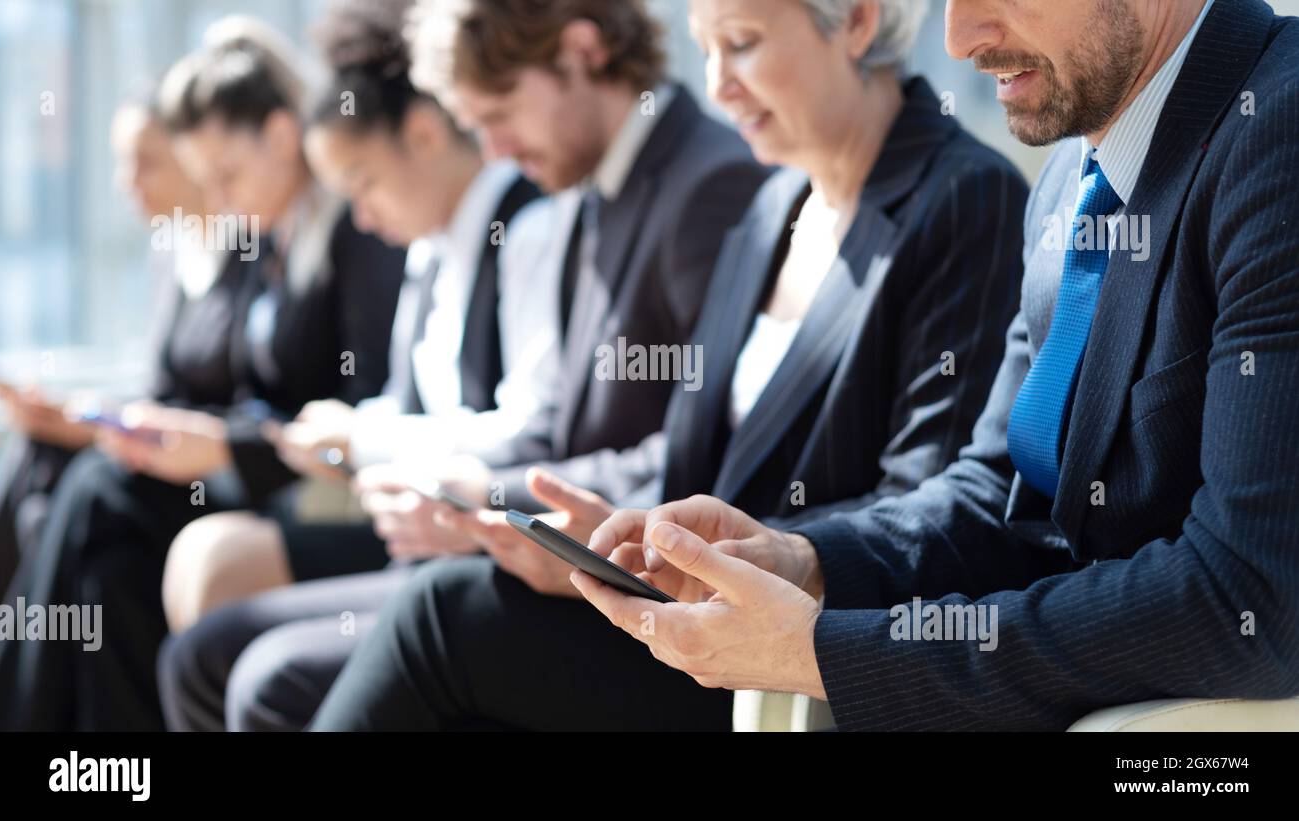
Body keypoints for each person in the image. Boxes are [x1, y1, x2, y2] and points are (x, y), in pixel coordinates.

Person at [551, 0, 1299, 731]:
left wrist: (825, 650)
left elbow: (1249, 596)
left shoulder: (1278, 133)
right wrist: (800, 558)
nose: (958, 38)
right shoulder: (1069, 181)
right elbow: (1000, 494)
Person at [305, 0, 1028, 732]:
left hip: (803, 654)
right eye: (705, 50)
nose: (717, 86)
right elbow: (696, 456)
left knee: (441, 617)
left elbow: (933, 511)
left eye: (742, 44)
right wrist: (619, 533)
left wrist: (725, 556)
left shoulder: (965, 196)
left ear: (857, 22)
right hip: (693, 612)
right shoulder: (775, 203)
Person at [158, 0, 768, 731]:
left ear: (582, 53)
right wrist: (479, 497)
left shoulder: (702, 185)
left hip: (636, 598)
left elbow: (709, 456)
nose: (495, 148)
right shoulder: (587, 189)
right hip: (556, 554)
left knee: (271, 669)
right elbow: (551, 423)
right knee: (215, 651)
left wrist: (485, 495)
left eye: (499, 112)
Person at [0, 19, 406, 731]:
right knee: (107, 562)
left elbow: (362, 407)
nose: (216, 199)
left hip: (312, 488)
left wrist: (222, 442)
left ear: (282, 137)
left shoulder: (350, 231)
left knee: (99, 493)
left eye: (225, 175)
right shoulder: (274, 239)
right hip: (260, 466)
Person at [157, 0, 551, 634]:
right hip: (414, 518)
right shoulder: (428, 249)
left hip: (467, 534)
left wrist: (359, 439)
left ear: (423, 134)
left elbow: (534, 433)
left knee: (216, 583)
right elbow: (403, 402)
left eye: (363, 184)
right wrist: (347, 435)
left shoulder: (527, 228)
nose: (363, 217)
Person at [0, 98, 213, 596]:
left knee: (92, 496)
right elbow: (161, 390)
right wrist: (78, 419)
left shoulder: (247, 253)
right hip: (160, 441)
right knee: (36, 449)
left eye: (148, 161)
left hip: (195, 466)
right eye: (123, 161)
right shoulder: (171, 256)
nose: (126, 181)